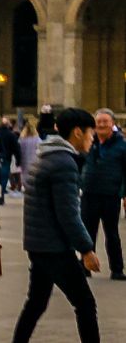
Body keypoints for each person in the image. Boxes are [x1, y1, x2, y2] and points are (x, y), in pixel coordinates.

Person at [12, 107, 102, 343]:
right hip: (53, 247)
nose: (93, 139)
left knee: (36, 303)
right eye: (91, 133)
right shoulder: (64, 163)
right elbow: (68, 214)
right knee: (85, 303)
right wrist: (86, 249)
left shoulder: (47, 155)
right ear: (77, 132)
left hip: (40, 243)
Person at [81, 109, 126, 280]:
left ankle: (117, 269)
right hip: (89, 194)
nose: (101, 125)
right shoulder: (89, 142)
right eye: (98, 121)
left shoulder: (122, 145)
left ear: (112, 124)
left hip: (110, 195)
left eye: (105, 122)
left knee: (112, 234)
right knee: (87, 233)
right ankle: (85, 267)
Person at [17, 120, 39, 190]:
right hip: (35, 162)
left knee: (25, 180)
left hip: (24, 162)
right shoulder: (37, 139)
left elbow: (18, 149)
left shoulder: (21, 139)